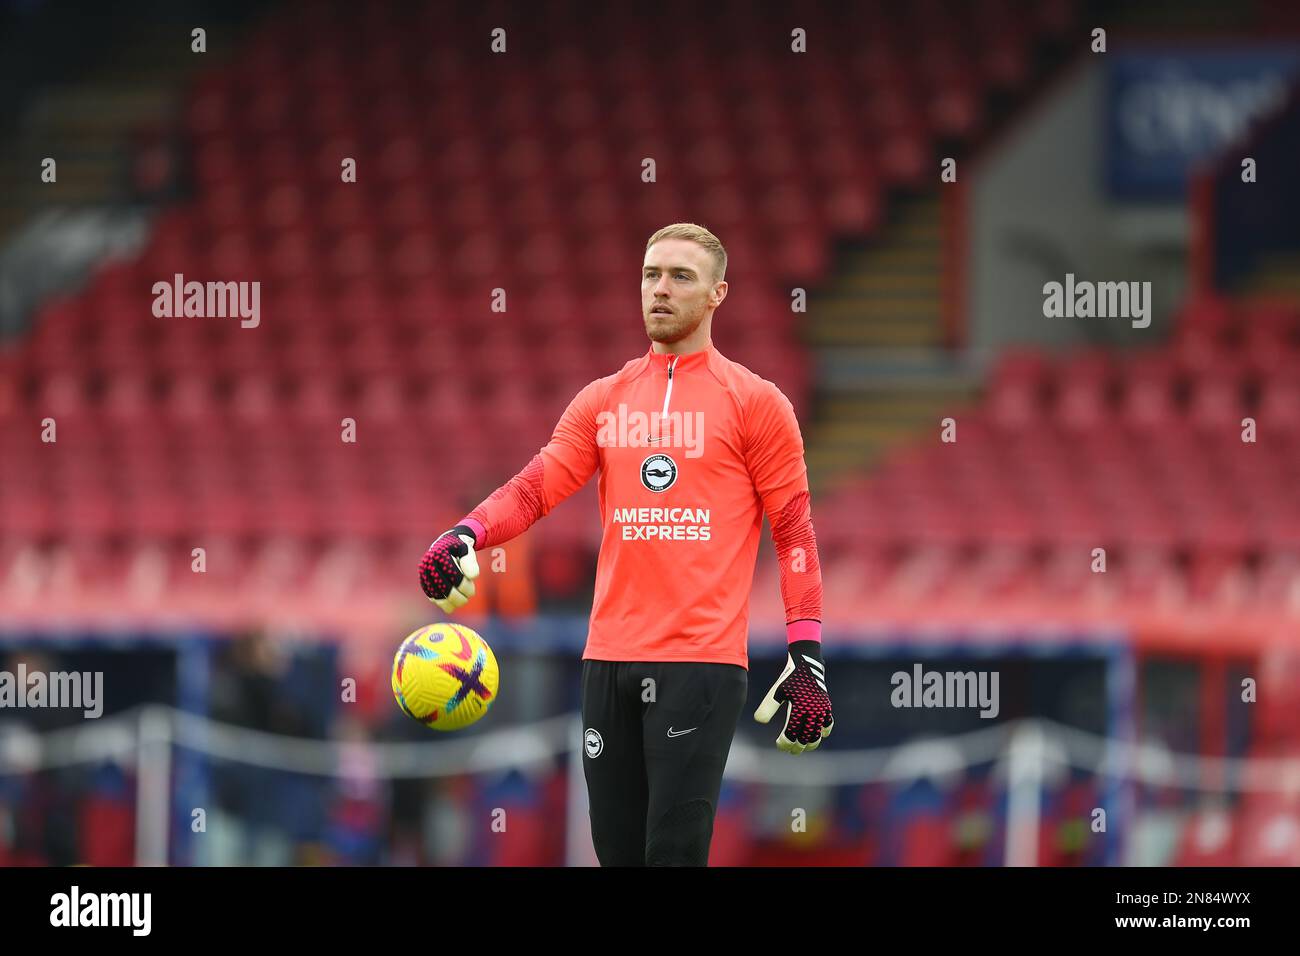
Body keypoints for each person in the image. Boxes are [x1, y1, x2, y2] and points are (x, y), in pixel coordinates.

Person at [420, 223, 833, 866]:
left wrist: (806, 656)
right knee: (617, 855)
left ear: (718, 294)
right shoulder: (603, 399)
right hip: (607, 660)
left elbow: (795, 533)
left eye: (681, 277)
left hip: (700, 664)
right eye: (650, 275)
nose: (660, 289)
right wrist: (465, 533)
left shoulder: (757, 404)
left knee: (672, 854)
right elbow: (533, 490)